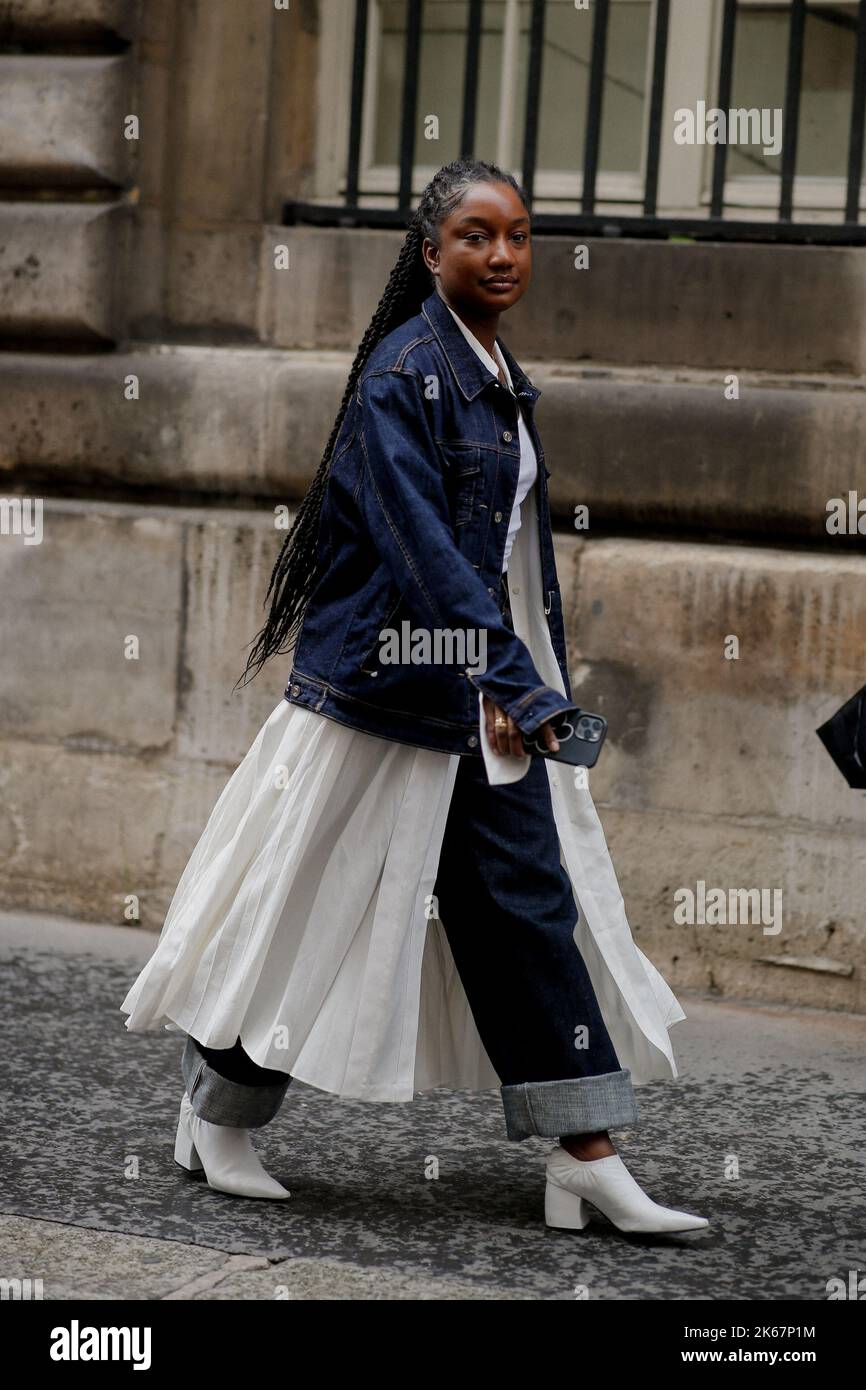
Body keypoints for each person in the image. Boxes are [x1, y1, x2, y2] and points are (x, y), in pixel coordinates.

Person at [120, 158, 708, 1236]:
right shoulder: (405, 373)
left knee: (530, 910)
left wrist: (507, 679)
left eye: (518, 236)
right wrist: (516, 681)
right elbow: (423, 552)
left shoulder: (491, 367)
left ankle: (586, 1154)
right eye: (476, 236)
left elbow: (501, 557)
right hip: (383, 695)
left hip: (477, 700)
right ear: (429, 252)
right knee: (314, 908)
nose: (500, 255)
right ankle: (216, 1114)